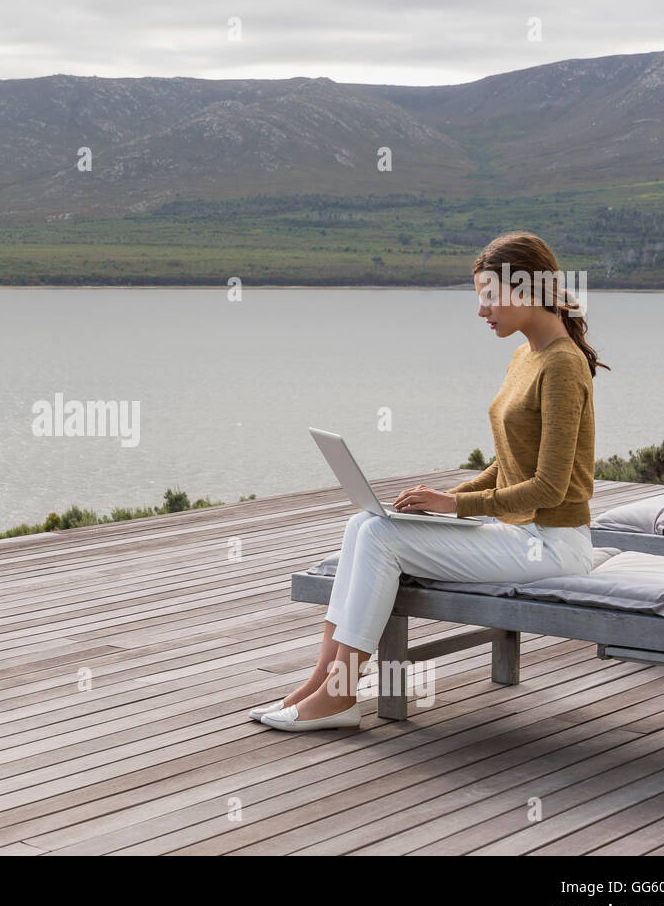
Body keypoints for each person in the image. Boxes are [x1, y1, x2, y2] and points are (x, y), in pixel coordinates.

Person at [252, 231, 611, 731]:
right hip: (517, 533)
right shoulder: (525, 356)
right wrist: (440, 500)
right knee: (365, 524)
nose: (481, 311)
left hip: (552, 544)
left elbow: (549, 488)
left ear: (525, 291)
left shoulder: (564, 364)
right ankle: (320, 683)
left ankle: (339, 695)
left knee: (379, 537)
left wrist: (451, 506)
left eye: (490, 297)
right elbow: (509, 466)